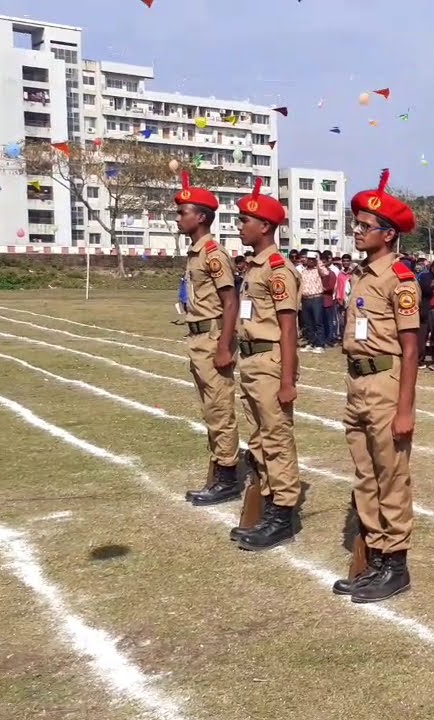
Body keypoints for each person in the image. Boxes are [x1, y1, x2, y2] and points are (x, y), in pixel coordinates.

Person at [329, 169, 421, 603]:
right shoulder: (364, 275)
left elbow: (410, 346)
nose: (357, 232)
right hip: (357, 381)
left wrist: (405, 408)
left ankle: (396, 563)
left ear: (388, 234)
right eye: (358, 225)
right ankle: (376, 555)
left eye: (365, 227)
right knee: (365, 474)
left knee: (391, 475)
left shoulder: (399, 279)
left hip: (385, 381)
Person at [232, 179, 302, 551]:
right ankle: (269, 502)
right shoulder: (254, 267)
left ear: (265, 227)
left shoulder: (277, 268)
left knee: (276, 438)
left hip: (270, 361)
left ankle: (283, 513)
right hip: (252, 359)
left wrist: (288, 379)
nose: (240, 226)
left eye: (245, 221)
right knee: (260, 438)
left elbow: (289, 328)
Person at [176, 173, 243, 506]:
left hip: (213, 335)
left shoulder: (213, 254)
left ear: (200, 217)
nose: (178, 217)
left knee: (219, 409)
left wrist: (223, 347)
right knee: (209, 409)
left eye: (182, 212)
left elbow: (231, 301)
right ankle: (220, 469)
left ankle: (229, 477)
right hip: (198, 336)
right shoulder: (196, 253)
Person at [416, 258, 434, 369]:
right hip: (425, 310)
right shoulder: (424, 277)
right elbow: (423, 289)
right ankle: (418, 360)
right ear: (432, 268)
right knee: (421, 337)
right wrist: (431, 285)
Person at [298, 251, 326, 353]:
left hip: (316, 298)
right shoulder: (303, 271)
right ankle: (311, 342)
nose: (309, 261)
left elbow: (325, 273)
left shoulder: (318, 270)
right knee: (308, 323)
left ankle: (320, 344)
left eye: (311, 259)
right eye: (308, 259)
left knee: (318, 322)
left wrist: (318, 260)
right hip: (305, 299)